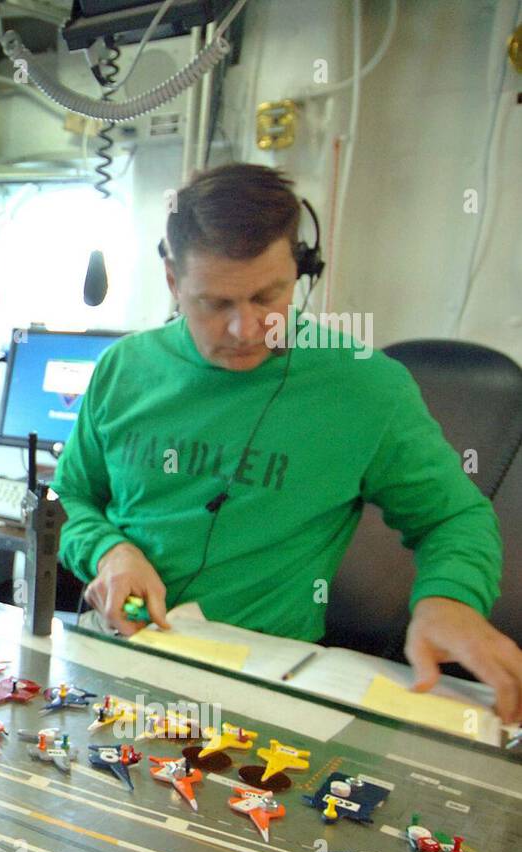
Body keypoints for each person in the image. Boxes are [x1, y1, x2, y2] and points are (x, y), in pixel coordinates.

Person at [52, 163, 521, 722]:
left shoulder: (364, 388)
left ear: (299, 272)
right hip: (115, 660)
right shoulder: (123, 368)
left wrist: (449, 598)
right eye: (215, 304)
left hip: (264, 689)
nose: (245, 329)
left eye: (267, 297)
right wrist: (111, 551)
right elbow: (72, 500)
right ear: (174, 281)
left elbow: (453, 517)